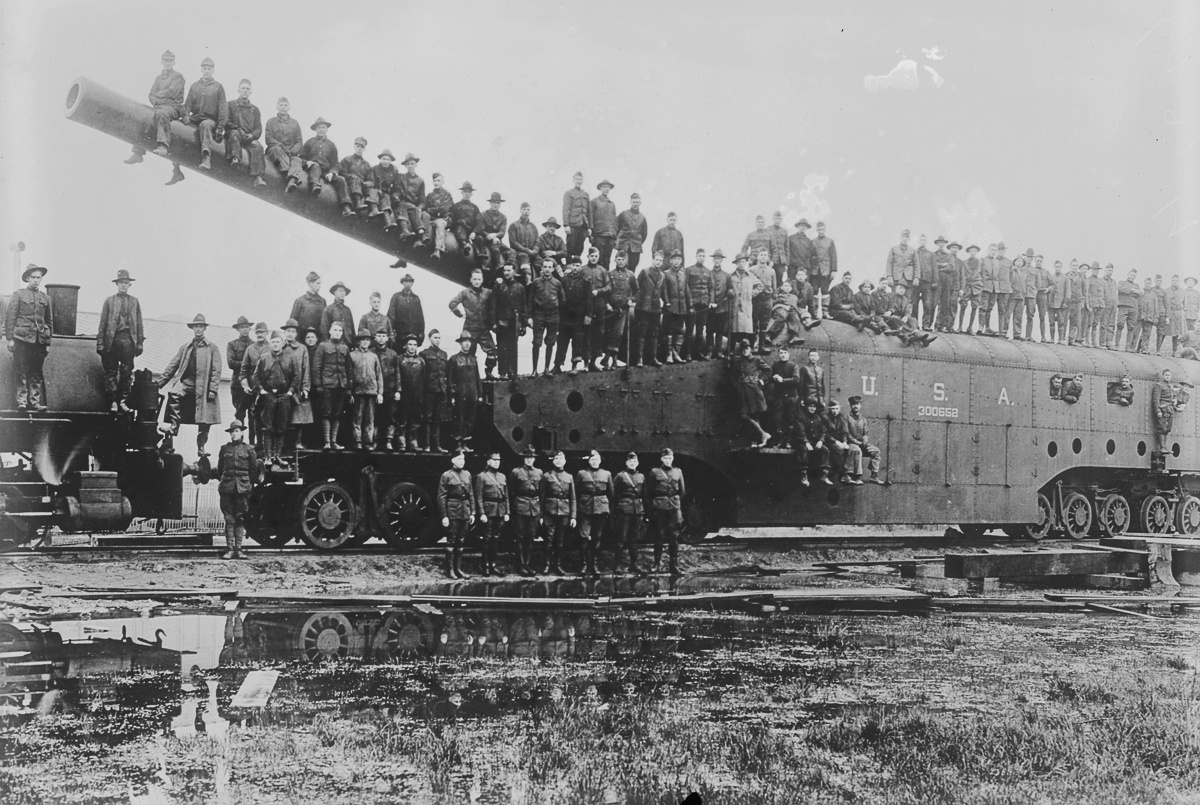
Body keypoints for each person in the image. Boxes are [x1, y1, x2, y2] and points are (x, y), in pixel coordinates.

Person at [159, 314, 222, 455]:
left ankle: (201, 447)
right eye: (196, 326)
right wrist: (159, 384)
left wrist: (212, 389)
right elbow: (172, 366)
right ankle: (174, 427)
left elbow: (216, 370)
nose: (198, 329)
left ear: (204, 328)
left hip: (204, 385)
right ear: (192, 328)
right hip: (187, 382)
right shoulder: (185, 347)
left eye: (200, 326)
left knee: (205, 419)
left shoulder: (212, 348)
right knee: (174, 393)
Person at [5, 264, 53, 411]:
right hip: (22, 339)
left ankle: (35, 402)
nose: (36, 280)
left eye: (39, 278)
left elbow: (49, 321)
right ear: (27, 278)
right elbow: (10, 318)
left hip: (39, 341)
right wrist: (10, 338)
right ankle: (21, 401)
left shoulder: (46, 298)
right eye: (33, 277)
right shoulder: (18, 295)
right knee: (21, 370)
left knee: (36, 372)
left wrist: (47, 342)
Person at [97, 269, 145, 412]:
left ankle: (123, 401)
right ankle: (112, 401)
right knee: (110, 372)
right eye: (121, 283)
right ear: (117, 284)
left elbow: (139, 323)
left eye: (126, 283)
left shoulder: (135, 302)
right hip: (112, 340)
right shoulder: (109, 301)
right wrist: (100, 343)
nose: (123, 285)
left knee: (126, 372)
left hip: (128, 341)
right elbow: (103, 323)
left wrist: (140, 343)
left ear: (129, 285)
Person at [125, 51, 185, 164]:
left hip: (173, 107)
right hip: (160, 105)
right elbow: (151, 94)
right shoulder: (158, 78)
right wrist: (158, 99)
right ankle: (138, 152)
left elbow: (172, 92)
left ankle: (163, 146)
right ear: (162, 62)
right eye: (165, 61)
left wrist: (159, 96)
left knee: (162, 114)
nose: (168, 63)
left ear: (174, 62)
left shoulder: (178, 77)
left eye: (170, 61)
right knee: (145, 116)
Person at [252, 329, 297, 466]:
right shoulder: (264, 358)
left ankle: (277, 455)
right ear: (270, 344)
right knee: (268, 426)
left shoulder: (290, 358)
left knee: (281, 426)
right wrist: (262, 391)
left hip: (284, 396)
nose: (276, 344)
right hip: (269, 395)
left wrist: (290, 392)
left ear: (282, 343)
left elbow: (296, 377)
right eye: (273, 342)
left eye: (278, 342)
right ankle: (267, 457)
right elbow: (256, 377)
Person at [217, 421, 261, 560]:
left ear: (242, 432)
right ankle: (229, 550)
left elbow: (254, 470)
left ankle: (239, 550)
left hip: (242, 488)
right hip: (227, 487)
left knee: (240, 518)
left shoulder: (249, 450)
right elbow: (220, 469)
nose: (234, 434)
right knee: (229, 518)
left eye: (236, 431)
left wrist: (248, 484)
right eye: (232, 432)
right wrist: (225, 480)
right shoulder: (224, 449)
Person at [179, 57, 228, 172]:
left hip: (210, 119)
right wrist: (185, 115)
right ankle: (176, 168)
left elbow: (223, 109)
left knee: (205, 125)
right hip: (196, 117)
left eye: (209, 69)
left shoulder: (218, 87)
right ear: (201, 70)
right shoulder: (195, 86)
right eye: (205, 68)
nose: (207, 71)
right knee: (178, 125)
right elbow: (188, 103)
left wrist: (220, 128)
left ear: (213, 71)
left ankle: (206, 157)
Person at [449, 268, 498, 378]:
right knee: (469, 354)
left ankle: (488, 372)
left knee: (492, 352)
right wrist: (460, 314)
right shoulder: (465, 292)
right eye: (474, 279)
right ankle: (470, 377)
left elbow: (497, 301)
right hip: (470, 330)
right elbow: (452, 303)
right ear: (471, 280)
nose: (477, 281)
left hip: (484, 329)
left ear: (482, 280)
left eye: (479, 279)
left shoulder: (488, 292)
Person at [313, 320, 352, 450]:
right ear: (330, 331)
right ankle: (327, 442)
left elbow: (349, 369)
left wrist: (348, 387)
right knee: (326, 413)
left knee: (337, 414)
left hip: (341, 386)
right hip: (327, 385)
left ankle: (334, 441)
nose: (337, 333)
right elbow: (317, 367)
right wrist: (319, 385)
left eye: (340, 330)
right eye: (335, 330)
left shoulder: (345, 348)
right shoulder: (323, 346)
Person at [647, 448, 686, 576]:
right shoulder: (655, 472)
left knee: (674, 537)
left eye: (670, 458)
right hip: (660, 507)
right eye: (665, 458)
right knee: (659, 536)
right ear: (662, 459)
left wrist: (676, 503)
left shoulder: (678, 471)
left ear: (672, 459)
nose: (668, 460)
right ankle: (656, 564)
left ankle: (673, 565)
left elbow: (682, 491)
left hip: (674, 507)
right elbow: (650, 491)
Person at [437, 449, 474, 579]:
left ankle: (458, 569)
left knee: (461, 540)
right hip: (453, 511)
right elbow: (441, 497)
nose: (462, 462)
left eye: (463, 459)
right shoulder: (446, 476)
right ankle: (450, 570)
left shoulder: (467, 474)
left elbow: (471, 495)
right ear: (453, 461)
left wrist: (472, 512)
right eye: (459, 459)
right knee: (451, 540)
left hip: (465, 511)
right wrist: (444, 516)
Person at [576, 450, 613, 577]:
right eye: (592, 460)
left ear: (600, 461)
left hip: (600, 509)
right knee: (584, 537)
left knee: (597, 537)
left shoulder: (606, 474)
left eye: (596, 460)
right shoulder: (581, 474)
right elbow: (577, 491)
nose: (594, 462)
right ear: (588, 461)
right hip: (585, 508)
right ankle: (584, 564)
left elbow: (611, 493)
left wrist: (607, 508)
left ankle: (594, 564)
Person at [729, 339, 772, 448]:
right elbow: (732, 376)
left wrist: (762, 380)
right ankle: (763, 434)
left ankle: (757, 440)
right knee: (744, 416)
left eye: (747, 348)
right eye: (743, 349)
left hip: (754, 390)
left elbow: (768, 370)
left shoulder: (756, 359)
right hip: (743, 391)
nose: (745, 351)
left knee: (755, 416)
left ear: (750, 349)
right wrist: (737, 387)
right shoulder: (737, 361)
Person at [223, 78, 266, 187]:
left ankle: (258, 176)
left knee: (258, 147)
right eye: (243, 88)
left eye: (248, 89)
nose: (245, 91)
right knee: (234, 135)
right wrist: (237, 128)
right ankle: (235, 158)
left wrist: (252, 135)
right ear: (238, 90)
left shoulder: (255, 110)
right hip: (235, 132)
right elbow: (226, 121)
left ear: (250, 92)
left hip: (248, 138)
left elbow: (258, 128)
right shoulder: (230, 105)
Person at [540, 451, 576, 575]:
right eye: (556, 458)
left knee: (560, 540)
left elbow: (573, 498)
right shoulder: (547, 476)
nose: (559, 460)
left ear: (565, 461)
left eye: (561, 458)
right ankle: (546, 565)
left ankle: (558, 565)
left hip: (564, 512)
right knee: (548, 539)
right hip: (549, 512)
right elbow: (542, 496)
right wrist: (541, 515)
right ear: (553, 461)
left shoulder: (569, 477)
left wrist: (573, 516)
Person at [474, 452, 509, 577]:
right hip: (488, 511)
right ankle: (485, 565)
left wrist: (507, 512)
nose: (496, 462)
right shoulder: (482, 477)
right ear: (488, 461)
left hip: (500, 511)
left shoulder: (502, 476)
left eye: (498, 460)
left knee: (496, 539)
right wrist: (482, 513)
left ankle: (493, 564)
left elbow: (506, 496)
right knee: (487, 539)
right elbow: (478, 497)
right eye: (494, 460)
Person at [294, 117, 345, 203]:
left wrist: (332, 172)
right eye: (319, 128)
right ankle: (315, 186)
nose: (321, 130)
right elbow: (301, 157)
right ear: (315, 129)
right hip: (312, 168)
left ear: (326, 129)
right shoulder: (310, 142)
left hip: (325, 172)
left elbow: (336, 164)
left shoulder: (331, 145)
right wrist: (307, 162)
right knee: (316, 165)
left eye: (323, 127)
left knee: (341, 180)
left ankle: (346, 205)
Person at [528, 257, 565, 376]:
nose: (547, 269)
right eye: (545, 267)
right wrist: (529, 316)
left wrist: (555, 306)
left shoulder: (557, 283)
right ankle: (534, 370)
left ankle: (547, 369)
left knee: (550, 342)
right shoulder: (536, 282)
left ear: (553, 269)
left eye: (550, 267)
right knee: (536, 342)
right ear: (541, 268)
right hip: (539, 314)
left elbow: (563, 300)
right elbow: (530, 301)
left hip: (553, 315)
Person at [510, 447, 543, 577]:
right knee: (520, 537)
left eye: (531, 457)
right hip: (520, 506)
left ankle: (527, 564)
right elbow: (512, 490)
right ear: (524, 458)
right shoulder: (516, 472)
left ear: (534, 459)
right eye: (527, 457)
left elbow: (541, 492)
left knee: (530, 537)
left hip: (534, 507)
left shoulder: (539, 472)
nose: (529, 460)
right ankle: (520, 565)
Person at [490, 262, 527, 379]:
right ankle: (502, 372)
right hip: (501, 321)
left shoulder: (520, 287)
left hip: (514, 322)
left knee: (513, 347)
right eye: (505, 270)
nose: (506, 273)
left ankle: (512, 372)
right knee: (501, 347)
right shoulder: (498, 286)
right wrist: (493, 323)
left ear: (514, 272)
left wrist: (523, 324)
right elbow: (493, 305)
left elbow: (523, 307)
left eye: (509, 270)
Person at [280, 319, 313, 451]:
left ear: (296, 333)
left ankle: (298, 441)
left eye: (293, 331)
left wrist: (305, 387)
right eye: (288, 331)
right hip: (283, 387)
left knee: (300, 415)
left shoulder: (302, 348)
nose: (290, 334)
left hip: (298, 387)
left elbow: (306, 369)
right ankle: (283, 444)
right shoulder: (280, 348)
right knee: (283, 415)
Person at [612, 453, 646, 575]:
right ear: (626, 463)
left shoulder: (641, 476)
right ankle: (618, 565)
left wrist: (643, 510)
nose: (632, 463)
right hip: (624, 509)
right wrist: (618, 509)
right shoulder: (620, 476)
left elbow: (644, 494)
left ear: (637, 463)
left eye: (634, 462)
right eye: (630, 461)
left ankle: (634, 564)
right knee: (621, 538)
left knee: (634, 539)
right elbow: (614, 494)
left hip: (637, 509)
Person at [632, 251, 667, 367]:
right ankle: (639, 359)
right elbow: (636, 288)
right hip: (643, 308)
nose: (658, 262)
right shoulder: (645, 272)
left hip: (656, 309)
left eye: (661, 261)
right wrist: (634, 300)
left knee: (654, 334)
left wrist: (667, 303)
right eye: (657, 260)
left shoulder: (662, 275)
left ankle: (653, 358)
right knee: (641, 333)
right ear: (653, 260)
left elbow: (663, 292)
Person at [603, 250, 637, 368]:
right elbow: (606, 291)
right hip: (611, 309)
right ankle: (609, 359)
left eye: (623, 260)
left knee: (618, 333)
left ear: (626, 261)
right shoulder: (609, 274)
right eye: (619, 259)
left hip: (623, 309)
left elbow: (637, 291)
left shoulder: (630, 275)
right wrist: (607, 304)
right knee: (609, 333)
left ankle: (612, 359)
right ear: (615, 260)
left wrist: (631, 300)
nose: (621, 262)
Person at [556, 258, 591, 373]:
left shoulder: (585, 281)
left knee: (578, 340)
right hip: (566, 315)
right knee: (562, 340)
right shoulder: (564, 280)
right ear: (570, 266)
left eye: (578, 265)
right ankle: (557, 365)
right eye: (573, 265)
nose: (575, 268)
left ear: (581, 267)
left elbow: (589, 300)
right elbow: (560, 297)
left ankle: (574, 366)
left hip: (579, 316)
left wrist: (588, 315)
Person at [448, 335, 481, 450]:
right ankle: (458, 444)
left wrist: (479, 394)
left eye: (469, 341)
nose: (467, 344)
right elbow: (450, 379)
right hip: (460, 393)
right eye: (464, 341)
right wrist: (452, 395)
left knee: (470, 419)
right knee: (459, 418)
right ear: (460, 343)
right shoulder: (454, 359)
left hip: (472, 392)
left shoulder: (473, 359)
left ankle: (466, 443)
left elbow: (477, 378)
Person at [239, 322, 269, 446]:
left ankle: (266, 447)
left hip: (268, 387)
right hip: (253, 388)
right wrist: (245, 386)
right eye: (257, 332)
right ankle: (253, 444)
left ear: (267, 333)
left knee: (267, 417)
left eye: (262, 332)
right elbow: (243, 371)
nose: (260, 334)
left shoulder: (272, 347)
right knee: (253, 417)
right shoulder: (250, 349)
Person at [264, 97, 303, 189]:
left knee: (298, 160)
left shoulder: (295, 123)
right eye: (281, 105)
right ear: (277, 107)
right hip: (275, 151)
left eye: (285, 105)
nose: (283, 107)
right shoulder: (271, 121)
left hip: (290, 153)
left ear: (289, 108)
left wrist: (292, 151)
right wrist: (280, 145)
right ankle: (289, 175)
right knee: (277, 150)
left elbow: (299, 141)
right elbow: (268, 138)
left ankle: (292, 181)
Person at [421, 330, 450, 453]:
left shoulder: (444, 354)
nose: (437, 340)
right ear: (429, 338)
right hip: (429, 390)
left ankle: (436, 445)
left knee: (438, 419)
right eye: (435, 337)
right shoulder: (424, 354)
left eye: (439, 337)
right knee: (427, 418)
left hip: (441, 390)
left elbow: (446, 374)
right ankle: (427, 445)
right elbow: (421, 374)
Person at [769, 346, 802, 451]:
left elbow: (796, 380)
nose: (783, 355)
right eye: (781, 353)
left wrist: (782, 380)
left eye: (785, 353)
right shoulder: (775, 365)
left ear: (789, 354)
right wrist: (772, 378)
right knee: (777, 419)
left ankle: (788, 441)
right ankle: (779, 441)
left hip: (791, 397)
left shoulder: (793, 366)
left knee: (790, 419)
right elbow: (770, 376)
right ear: (779, 354)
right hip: (779, 397)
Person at [395, 335, 425, 450]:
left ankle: (413, 442)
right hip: (403, 394)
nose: (412, 347)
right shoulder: (399, 359)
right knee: (402, 418)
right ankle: (401, 443)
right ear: (405, 346)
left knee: (415, 418)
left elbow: (424, 378)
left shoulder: (421, 361)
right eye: (410, 345)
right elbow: (397, 376)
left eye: (414, 345)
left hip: (417, 394)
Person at [583, 247, 611, 369]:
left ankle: (593, 361)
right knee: (586, 333)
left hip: (600, 305)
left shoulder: (603, 271)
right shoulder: (583, 270)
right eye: (591, 256)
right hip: (586, 305)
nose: (594, 258)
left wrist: (599, 291)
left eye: (596, 256)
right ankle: (585, 362)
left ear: (598, 257)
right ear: (588, 257)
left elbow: (608, 287)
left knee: (599, 333)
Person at [684, 248, 714, 360]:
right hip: (693, 304)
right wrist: (690, 304)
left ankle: (699, 353)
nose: (701, 258)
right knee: (689, 329)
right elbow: (686, 287)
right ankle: (688, 353)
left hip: (704, 305)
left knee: (700, 330)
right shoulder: (689, 270)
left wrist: (710, 301)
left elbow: (711, 288)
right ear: (696, 256)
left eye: (703, 256)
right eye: (699, 256)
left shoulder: (708, 271)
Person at [846, 396, 884, 484]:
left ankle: (874, 476)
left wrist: (865, 441)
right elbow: (847, 434)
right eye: (853, 404)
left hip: (862, 443)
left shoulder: (863, 419)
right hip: (851, 443)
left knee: (876, 451)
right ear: (850, 406)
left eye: (857, 404)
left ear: (860, 405)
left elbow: (866, 433)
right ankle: (858, 477)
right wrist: (858, 443)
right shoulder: (846, 418)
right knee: (857, 450)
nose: (855, 406)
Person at [373, 330, 401, 450]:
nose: (381, 338)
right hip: (375, 390)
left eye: (383, 336)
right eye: (379, 336)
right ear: (375, 338)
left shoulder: (393, 354)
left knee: (390, 416)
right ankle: (374, 440)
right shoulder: (371, 352)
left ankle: (388, 441)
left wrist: (398, 390)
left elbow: (397, 373)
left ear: (387, 338)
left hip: (389, 389)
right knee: (375, 416)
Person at [823, 400, 862, 484]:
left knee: (852, 448)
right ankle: (844, 473)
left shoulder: (842, 418)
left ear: (839, 409)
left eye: (837, 408)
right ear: (830, 409)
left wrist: (844, 442)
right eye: (833, 409)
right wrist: (837, 442)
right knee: (839, 449)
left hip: (839, 442)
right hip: (829, 442)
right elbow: (825, 434)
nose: (835, 411)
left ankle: (849, 474)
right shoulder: (825, 418)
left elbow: (844, 432)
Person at [662, 250, 691, 363]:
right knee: (669, 331)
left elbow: (686, 291)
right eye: (674, 259)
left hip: (681, 307)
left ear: (681, 261)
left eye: (679, 259)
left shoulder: (683, 275)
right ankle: (669, 354)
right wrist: (667, 303)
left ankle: (676, 353)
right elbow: (664, 291)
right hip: (670, 307)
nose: (677, 261)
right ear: (670, 261)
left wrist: (690, 305)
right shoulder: (666, 274)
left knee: (679, 331)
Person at [394, 153, 428, 243]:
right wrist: (396, 196)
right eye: (408, 164)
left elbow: (422, 198)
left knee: (415, 210)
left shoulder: (420, 181)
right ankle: (405, 230)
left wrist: (420, 207)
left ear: (416, 165)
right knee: (402, 206)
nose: (410, 166)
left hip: (413, 204)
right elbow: (397, 189)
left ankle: (421, 232)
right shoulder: (401, 177)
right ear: (405, 166)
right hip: (402, 202)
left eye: (412, 164)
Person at [705, 250, 733, 359]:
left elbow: (730, 288)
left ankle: (719, 351)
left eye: (719, 259)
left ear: (721, 260)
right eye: (715, 259)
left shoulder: (726, 275)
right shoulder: (708, 273)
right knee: (709, 330)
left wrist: (731, 291)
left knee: (720, 331)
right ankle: (709, 351)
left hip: (722, 308)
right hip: (710, 308)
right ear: (713, 260)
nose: (717, 261)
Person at [749, 247, 778, 352]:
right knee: (753, 323)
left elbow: (774, 287)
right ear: (757, 256)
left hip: (767, 300)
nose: (763, 257)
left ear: (768, 257)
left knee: (764, 323)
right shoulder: (752, 270)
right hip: (756, 300)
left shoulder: (772, 271)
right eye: (761, 255)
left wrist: (773, 296)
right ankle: (752, 346)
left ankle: (761, 346)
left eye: (765, 255)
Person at [728, 252, 759, 349]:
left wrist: (751, 294)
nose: (741, 264)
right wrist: (730, 291)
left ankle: (745, 351)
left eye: (743, 262)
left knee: (746, 332)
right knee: (733, 331)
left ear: (745, 263)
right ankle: (732, 352)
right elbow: (727, 288)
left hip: (746, 307)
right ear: (736, 264)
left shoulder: (750, 276)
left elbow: (760, 286)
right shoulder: (731, 276)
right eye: (739, 262)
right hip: (734, 306)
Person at [225, 316, 252, 423]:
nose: (245, 329)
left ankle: (251, 440)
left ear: (250, 329)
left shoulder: (254, 345)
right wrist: (248, 364)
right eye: (242, 327)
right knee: (239, 413)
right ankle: (239, 439)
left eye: (247, 327)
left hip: (251, 383)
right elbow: (231, 363)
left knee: (253, 414)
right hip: (238, 385)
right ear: (238, 329)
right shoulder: (232, 344)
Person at [423, 173, 455, 259]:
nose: (436, 183)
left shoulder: (446, 194)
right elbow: (425, 207)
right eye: (434, 181)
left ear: (442, 182)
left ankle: (438, 249)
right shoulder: (430, 195)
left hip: (443, 218)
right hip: (432, 218)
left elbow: (443, 209)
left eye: (438, 181)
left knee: (440, 224)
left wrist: (430, 210)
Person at [337, 137, 372, 216]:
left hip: (361, 187)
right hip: (349, 183)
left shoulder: (367, 165)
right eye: (358, 146)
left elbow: (371, 181)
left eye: (362, 147)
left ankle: (359, 202)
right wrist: (352, 177)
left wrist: (366, 183)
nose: (359, 149)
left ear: (364, 149)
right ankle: (357, 203)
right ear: (354, 147)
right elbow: (342, 173)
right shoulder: (347, 159)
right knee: (355, 179)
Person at [478, 192, 511, 274]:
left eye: (498, 203)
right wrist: (488, 236)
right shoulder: (483, 215)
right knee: (495, 250)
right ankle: (498, 267)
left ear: (500, 205)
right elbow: (481, 229)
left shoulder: (503, 217)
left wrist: (496, 235)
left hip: (497, 241)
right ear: (490, 203)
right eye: (494, 203)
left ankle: (512, 268)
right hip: (487, 241)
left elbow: (502, 231)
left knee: (512, 252)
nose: (495, 205)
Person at [450, 182, 485, 261]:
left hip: (470, 231)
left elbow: (479, 222)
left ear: (471, 194)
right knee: (460, 229)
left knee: (480, 239)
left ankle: (481, 261)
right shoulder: (456, 206)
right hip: (459, 229)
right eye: (465, 191)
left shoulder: (475, 208)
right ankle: (464, 245)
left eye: (469, 192)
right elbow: (451, 219)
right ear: (462, 193)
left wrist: (474, 232)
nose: (467, 194)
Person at [368, 150, 401, 231]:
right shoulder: (374, 169)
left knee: (386, 197)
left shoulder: (394, 172)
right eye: (383, 159)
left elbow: (396, 187)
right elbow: (370, 180)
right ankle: (374, 210)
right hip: (375, 190)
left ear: (390, 161)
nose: (385, 161)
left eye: (388, 159)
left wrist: (395, 196)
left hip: (385, 193)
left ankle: (387, 221)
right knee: (374, 193)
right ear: (380, 159)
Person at [562, 172, 591, 261]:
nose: (579, 181)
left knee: (580, 247)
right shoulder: (569, 193)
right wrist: (566, 225)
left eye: (580, 179)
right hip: (573, 224)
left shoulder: (586, 194)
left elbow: (589, 212)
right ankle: (568, 266)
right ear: (573, 180)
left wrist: (589, 227)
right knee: (570, 247)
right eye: (577, 179)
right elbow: (565, 209)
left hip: (583, 225)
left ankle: (577, 266)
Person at [616, 193, 648, 271]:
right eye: (634, 202)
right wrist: (619, 240)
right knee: (621, 265)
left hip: (635, 247)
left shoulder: (642, 217)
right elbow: (616, 227)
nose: (635, 204)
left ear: (640, 203)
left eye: (637, 202)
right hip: (623, 245)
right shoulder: (623, 214)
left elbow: (644, 233)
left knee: (633, 266)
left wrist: (637, 242)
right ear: (630, 202)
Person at [933, 242, 960, 333]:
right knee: (943, 304)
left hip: (954, 285)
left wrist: (962, 287)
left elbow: (960, 274)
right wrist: (943, 266)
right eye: (953, 247)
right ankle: (939, 325)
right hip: (945, 284)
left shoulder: (960, 261)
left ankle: (950, 326)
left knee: (952, 307)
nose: (954, 249)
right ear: (949, 249)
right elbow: (935, 265)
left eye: (956, 248)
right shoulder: (945, 257)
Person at [507, 203, 540, 279]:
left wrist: (534, 251)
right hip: (520, 252)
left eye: (528, 210)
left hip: (533, 254)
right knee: (524, 261)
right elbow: (513, 242)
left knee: (543, 264)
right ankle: (527, 279)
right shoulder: (514, 225)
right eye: (524, 209)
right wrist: (526, 250)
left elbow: (538, 242)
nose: (526, 211)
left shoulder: (533, 226)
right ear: (520, 211)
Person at [1151, 368, 1179, 456]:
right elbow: (1155, 400)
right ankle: (1162, 447)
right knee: (1161, 428)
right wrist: (1157, 411)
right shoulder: (1159, 385)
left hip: (1169, 409)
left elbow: (1172, 398)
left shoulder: (1170, 386)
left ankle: (1164, 447)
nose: (1167, 377)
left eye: (1169, 375)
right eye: (1166, 375)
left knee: (1167, 429)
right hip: (1162, 409)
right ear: (1163, 376)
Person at [590, 180, 618, 268]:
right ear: (600, 188)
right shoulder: (594, 202)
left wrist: (615, 236)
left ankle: (606, 280)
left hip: (610, 236)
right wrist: (590, 234)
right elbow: (590, 218)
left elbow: (614, 221)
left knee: (607, 259)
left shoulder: (612, 204)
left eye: (608, 187)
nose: (606, 189)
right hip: (599, 235)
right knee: (598, 259)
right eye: (604, 187)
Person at [956, 245, 983, 334]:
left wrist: (980, 284)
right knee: (963, 305)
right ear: (968, 252)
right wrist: (962, 287)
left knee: (975, 306)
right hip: (967, 286)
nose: (973, 252)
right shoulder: (964, 262)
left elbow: (983, 274)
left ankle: (970, 327)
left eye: (974, 251)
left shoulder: (980, 262)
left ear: (977, 252)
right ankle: (960, 326)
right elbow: (962, 275)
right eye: (971, 251)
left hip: (977, 286)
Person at [912, 235, 937, 328]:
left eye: (924, 240)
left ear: (926, 241)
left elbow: (934, 268)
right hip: (916, 282)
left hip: (927, 281)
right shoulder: (914, 253)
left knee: (927, 304)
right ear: (918, 241)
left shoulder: (931, 254)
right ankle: (914, 324)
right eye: (921, 240)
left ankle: (926, 324)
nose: (922, 241)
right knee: (914, 303)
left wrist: (934, 281)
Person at [290, 271, 326, 336]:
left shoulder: (322, 301)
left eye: (320, 283)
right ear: (310, 284)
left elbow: (325, 322)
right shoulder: (300, 301)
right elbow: (293, 322)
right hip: (302, 338)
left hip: (318, 338)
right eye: (317, 283)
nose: (320, 286)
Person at [1115, 269, 1142, 352]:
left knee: (1131, 327)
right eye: (1131, 275)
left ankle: (1128, 347)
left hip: (1133, 308)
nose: (1132, 277)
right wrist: (1131, 290)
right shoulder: (1121, 282)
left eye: (1134, 275)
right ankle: (1117, 345)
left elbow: (1139, 294)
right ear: (1127, 274)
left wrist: (1132, 292)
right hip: (1123, 306)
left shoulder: (1137, 285)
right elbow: (1120, 289)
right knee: (1120, 325)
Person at [811, 221, 838, 298]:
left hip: (826, 269)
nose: (821, 231)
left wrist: (833, 270)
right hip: (815, 269)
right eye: (819, 230)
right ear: (816, 230)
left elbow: (833, 256)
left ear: (825, 230)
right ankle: (814, 310)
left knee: (825, 290)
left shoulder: (830, 241)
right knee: (814, 290)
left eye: (822, 229)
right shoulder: (813, 241)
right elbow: (810, 255)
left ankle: (825, 309)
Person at [787, 218, 816, 288]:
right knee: (792, 286)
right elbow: (787, 251)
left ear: (806, 228)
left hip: (805, 268)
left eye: (804, 226)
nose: (802, 228)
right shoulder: (791, 239)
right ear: (798, 227)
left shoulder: (809, 241)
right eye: (801, 226)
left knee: (804, 287)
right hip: (793, 267)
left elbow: (811, 255)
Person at [1137, 277, 1160, 354]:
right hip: (1140, 317)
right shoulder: (1140, 292)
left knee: (1147, 334)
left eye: (1149, 283)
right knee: (1136, 332)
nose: (1148, 285)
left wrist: (1156, 318)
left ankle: (1144, 349)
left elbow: (1156, 307)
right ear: (1144, 283)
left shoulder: (1153, 295)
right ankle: (1133, 347)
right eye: (1147, 283)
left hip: (1149, 318)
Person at [1166, 274, 1187, 355]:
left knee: (1176, 334)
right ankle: (1158, 350)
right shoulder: (1167, 290)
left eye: (1176, 280)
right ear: (1171, 281)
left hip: (1179, 314)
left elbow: (1185, 304)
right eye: (1173, 280)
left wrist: (1183, 313)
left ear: (1178, 281)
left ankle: (1174, 351)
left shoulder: (1182, 291)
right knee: (1164, 332)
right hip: (1170, 313)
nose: (1174, 282)